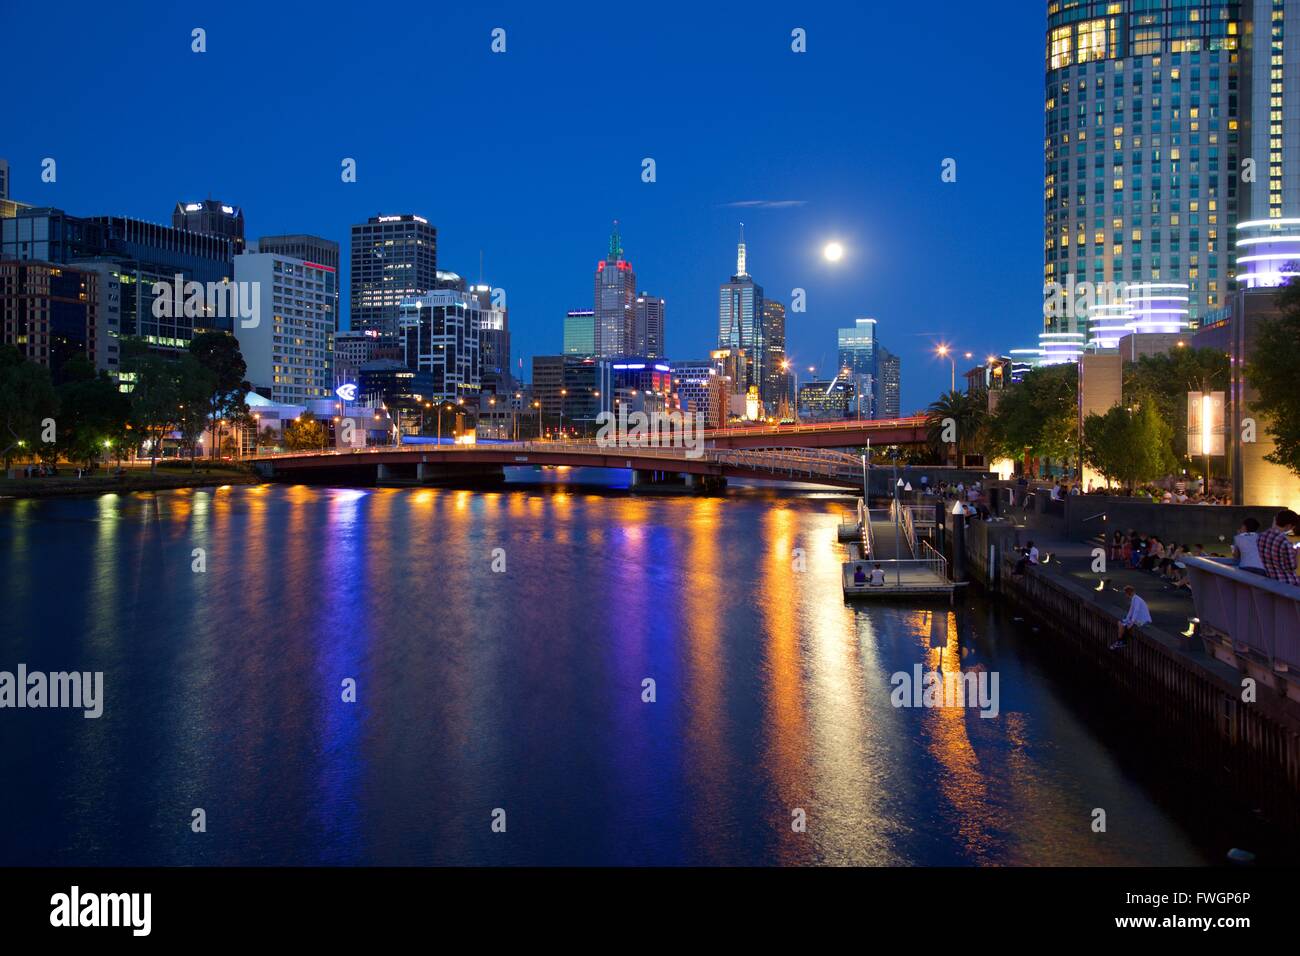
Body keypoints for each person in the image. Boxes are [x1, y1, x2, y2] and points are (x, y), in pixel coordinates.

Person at [1259, 509, 1300, 586]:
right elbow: (1292, 566)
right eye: (1292, 527)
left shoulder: (1261, 536)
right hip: (1287, 581)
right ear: (1289, 525)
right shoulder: (1285, 542)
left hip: (1270, 579)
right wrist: (1296, 552)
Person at [1110, 585, 1151, 649]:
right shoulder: (1135, 598)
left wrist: (1131, 623)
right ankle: (1120, 641)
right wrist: (1126, 619)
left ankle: (1120, 641)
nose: (1126, 595)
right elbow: (1131, 611)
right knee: (1121, 623)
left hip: (1143, 621)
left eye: (1126, 593)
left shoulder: (1137, 600)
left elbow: (1136, 612)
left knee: (1122, 624)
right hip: (1139, 619)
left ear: (1128, 593)